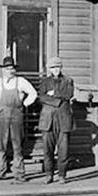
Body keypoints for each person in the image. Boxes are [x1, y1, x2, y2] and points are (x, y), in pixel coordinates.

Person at [0, 57, 37, 183]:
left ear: (14, 70)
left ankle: (19, 174)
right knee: (1, 145)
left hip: (16, 115)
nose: (9, 71)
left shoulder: (21, 81)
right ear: (3, 70)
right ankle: (0, 172)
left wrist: (24, 104)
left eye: (11, 69)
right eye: (7, 69)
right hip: (1, 116)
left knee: (17, 145)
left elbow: (33, 94)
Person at [38, 56, 75, 184]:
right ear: (49, 69)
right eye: (53, 67)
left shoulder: (68, 80)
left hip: (63, 119)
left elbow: (68, 94)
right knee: (47, 150)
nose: (55, 70)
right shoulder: (45, 82)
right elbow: (41, 97)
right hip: (47, 120)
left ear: (61, 68)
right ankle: (49, 175)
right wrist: (58, 100)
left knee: (63, 150)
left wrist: (53, 94)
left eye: (58, 67)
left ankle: (62, 175)